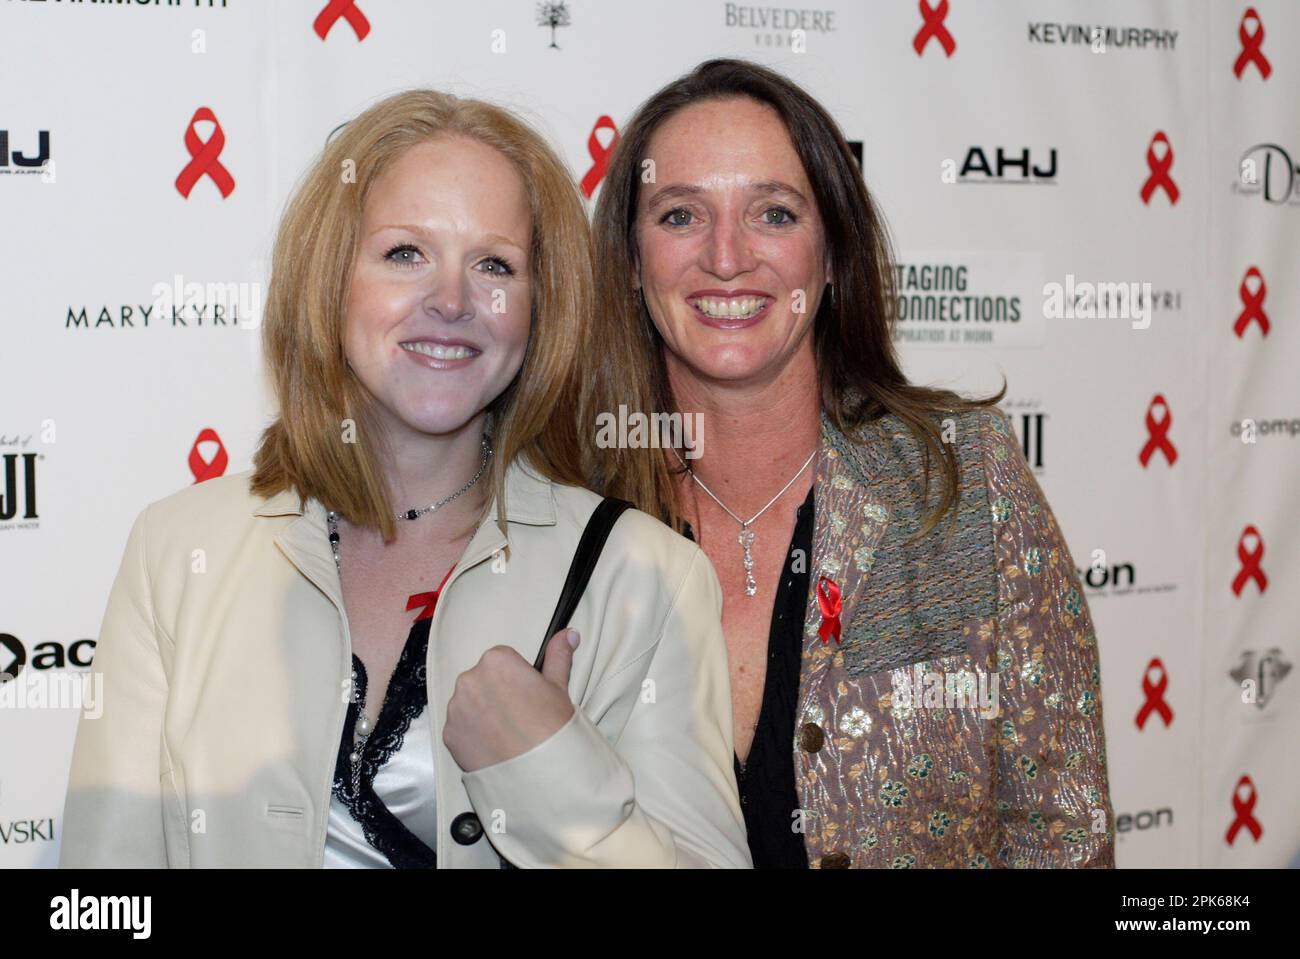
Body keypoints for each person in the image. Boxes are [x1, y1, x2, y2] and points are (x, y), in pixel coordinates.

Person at [59, 89, 750, 869]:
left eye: (494, 265)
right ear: (332, 280)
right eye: (405, 254)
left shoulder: (646, 577)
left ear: (538, 306)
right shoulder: (177, 550)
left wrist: (552, 778)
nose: (451, 301)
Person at [584, 59, 1114, 868]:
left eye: (774, 213)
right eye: (681, 214)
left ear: (832, 256)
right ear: (630, 259)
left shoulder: (965, 478)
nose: (727, 257)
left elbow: (1064, 833)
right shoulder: (566, 505)